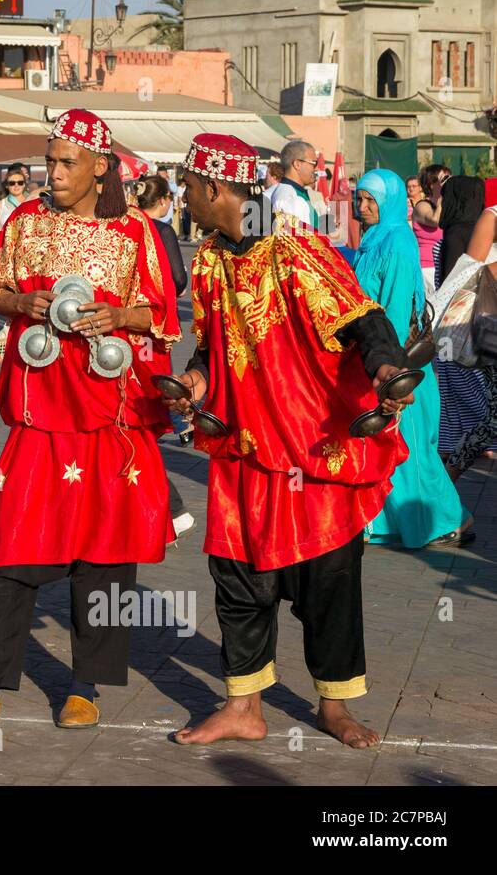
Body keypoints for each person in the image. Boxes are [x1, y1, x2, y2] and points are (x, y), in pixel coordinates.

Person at [0, 109, 180, 734]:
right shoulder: (25, 222)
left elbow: (164, 316)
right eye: (50, 160)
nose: (53, 173)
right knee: (13, 549)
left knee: (106, 556)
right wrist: (21, 301)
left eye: (67, 163)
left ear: (99, 166)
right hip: (39, 416)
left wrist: (119, 318)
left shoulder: (136, 232)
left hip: (111, 418)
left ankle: (86, 684)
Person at [168, 133, 413, 749]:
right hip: (247, 448)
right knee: (237, 578)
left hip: (314, 446)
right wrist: (195, 382)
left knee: (328, 580)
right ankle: (243, 707)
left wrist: (385, 372)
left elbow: (364, 317)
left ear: (218, 188)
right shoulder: (210, 259)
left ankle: (335, 707)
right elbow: (212, 347)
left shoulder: (297, 247)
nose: (185, 198)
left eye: (191, 188)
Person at [353, 170, 472, 547]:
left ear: (387, 202)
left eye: (371, 200)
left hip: (400, 359)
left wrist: (388, 363)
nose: (363, 207)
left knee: (413, 449)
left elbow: (398, 304)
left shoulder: (399, 240)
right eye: (359, 199)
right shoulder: (373, 238)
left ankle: (446, 521)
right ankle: (392, 522)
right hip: (378, 356)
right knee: (392, 444)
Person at [442, 200, 497, 479]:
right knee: (495, 419)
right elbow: (470, 273)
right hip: (493, 327)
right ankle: (451, 471)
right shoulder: (492, 216)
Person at [269, 140, 320, 228]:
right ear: (297, 164)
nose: (317, 168)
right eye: (314, 163)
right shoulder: (291, 198)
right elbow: (302, 240)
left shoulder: (294, 193)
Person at [406, 174, 443, 288]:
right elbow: (434, 220)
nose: (411, 189)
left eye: (414, 186)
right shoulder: (420, 206)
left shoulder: (433, 205)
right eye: (409, 186)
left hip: (440, 264)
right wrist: (443, 198)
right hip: (427, 265)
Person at [0, 162, 28, 235]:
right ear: (7, 185)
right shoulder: (0, 204)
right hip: (7, 244)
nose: (16, 186)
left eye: (20, 182)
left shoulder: (31, 201)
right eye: (12, 183)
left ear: (24, 184)